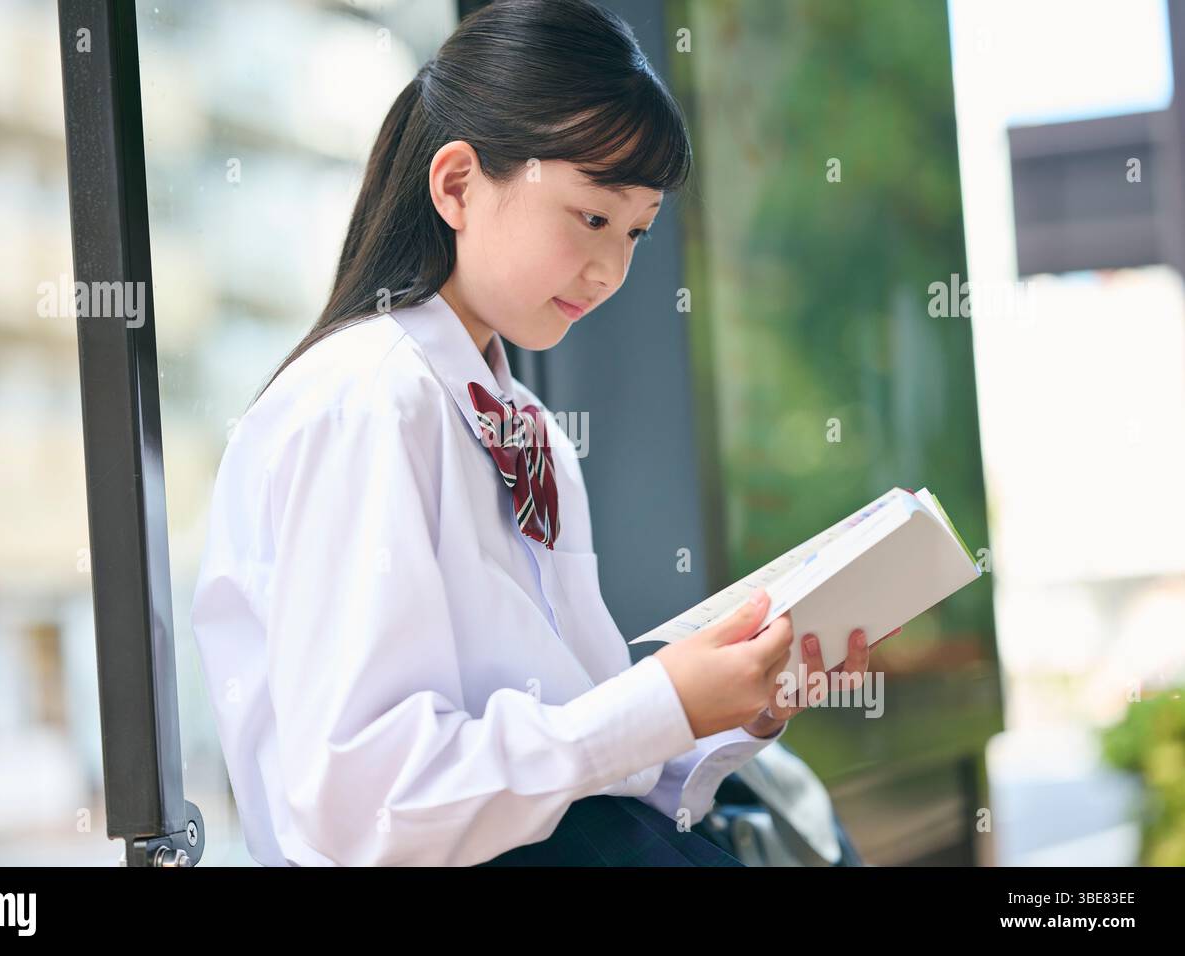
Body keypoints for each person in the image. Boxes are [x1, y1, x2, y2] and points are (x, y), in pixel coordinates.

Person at [189, 0, 889, 867]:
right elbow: (364, 804)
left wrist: (729, 710)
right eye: (592, 217)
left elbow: (579, 758)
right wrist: (660, 705)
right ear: (456, 185)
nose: (613, 268)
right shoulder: (367, 401)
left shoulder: (525, 425)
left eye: (637, 232)